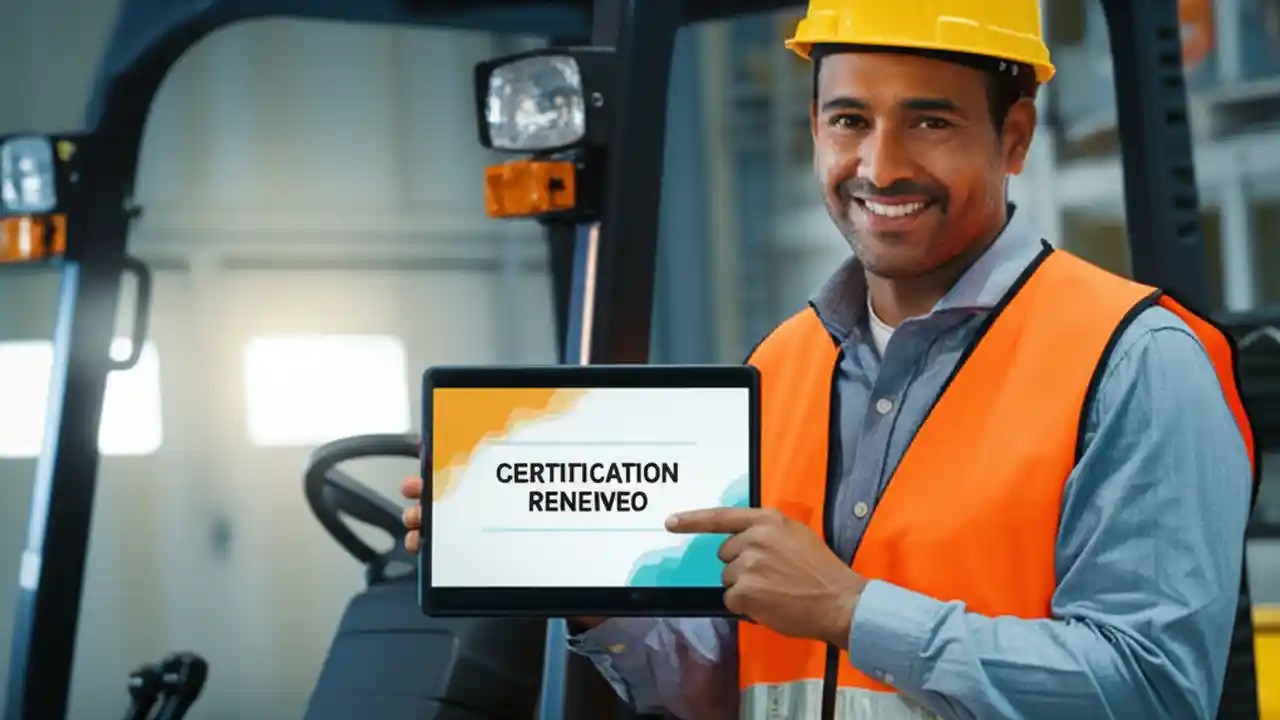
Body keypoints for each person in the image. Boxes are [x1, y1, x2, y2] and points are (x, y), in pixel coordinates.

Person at [401, 2, 1258, 718]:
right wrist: (572, 568)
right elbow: (737, 679)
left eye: (931, 120)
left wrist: (853, 612)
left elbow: (1153, 688)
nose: (880, 166)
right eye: (851, 120)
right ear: (815, 127)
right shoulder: (781, 363)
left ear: (1016, 137)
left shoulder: (1135, 360)